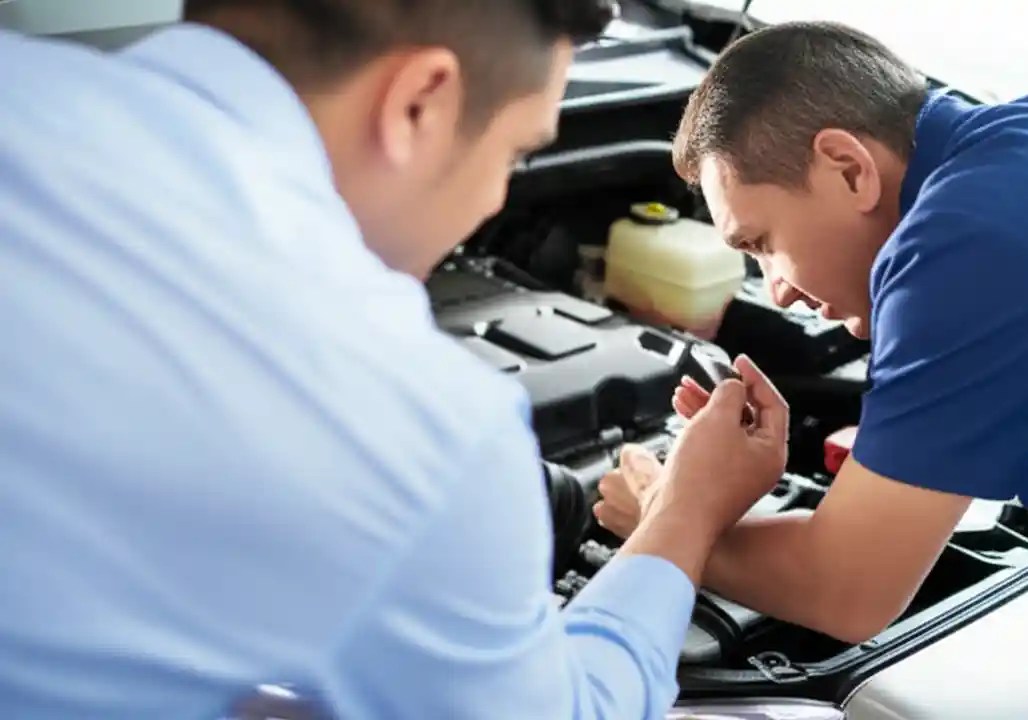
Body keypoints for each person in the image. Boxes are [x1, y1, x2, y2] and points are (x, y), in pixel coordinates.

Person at [0, 2, 781, 718]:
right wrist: (687, 511)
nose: (491, 202)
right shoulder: (414, 423)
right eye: (514, 153)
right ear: (420, 102)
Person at [594, 20, 1028, 640]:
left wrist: (666, 511)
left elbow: (845, 591)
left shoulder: (967, 246)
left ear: (848, 168)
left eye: (763, 241)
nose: (776, 288)